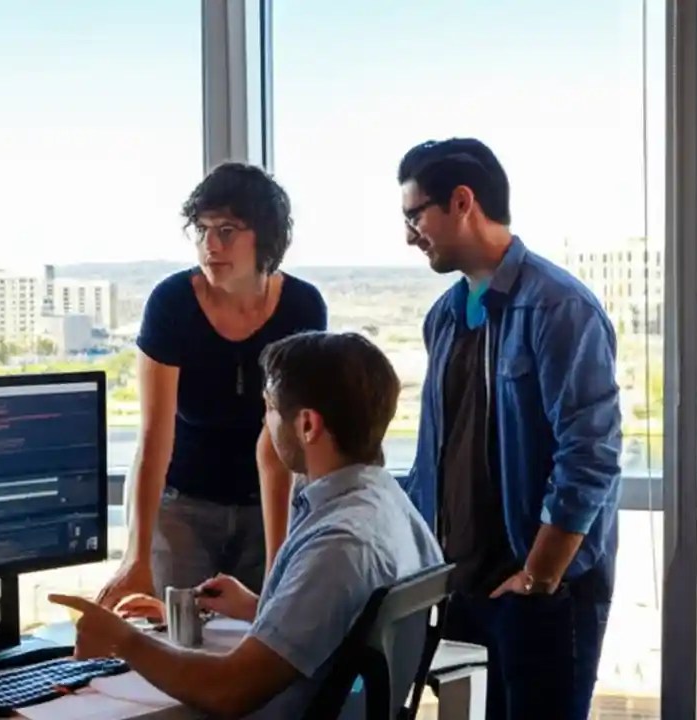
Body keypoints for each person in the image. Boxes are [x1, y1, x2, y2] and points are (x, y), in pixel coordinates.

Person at [51, 331, 443, 718]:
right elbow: (345, 625)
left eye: (270, 408)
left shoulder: (339, 544)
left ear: (307, 425)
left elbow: (229, 691)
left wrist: (125, 641)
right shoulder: (392, 507)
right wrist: (262, 609)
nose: (265, 421)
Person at [396, 137, 622, 720]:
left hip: (540, 591)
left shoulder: (559, 307)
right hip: (464, 587)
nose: (408, 234)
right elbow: (437, 458)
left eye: (415, 215)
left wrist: (540, 576)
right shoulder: (443, 315)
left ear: (462, 201)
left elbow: (589, 455)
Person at [96, 163, 328, 608]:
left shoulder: (301, 306)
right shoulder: (172, 303)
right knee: (174, 634)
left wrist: (278, 567)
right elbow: (154, 436)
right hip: (182, 504)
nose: (210, 245)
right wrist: (136, 556)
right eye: (201, 230)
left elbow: (276, 446)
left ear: (265, 236)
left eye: (227, 230)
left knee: (266, 635)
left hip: (268, 501)